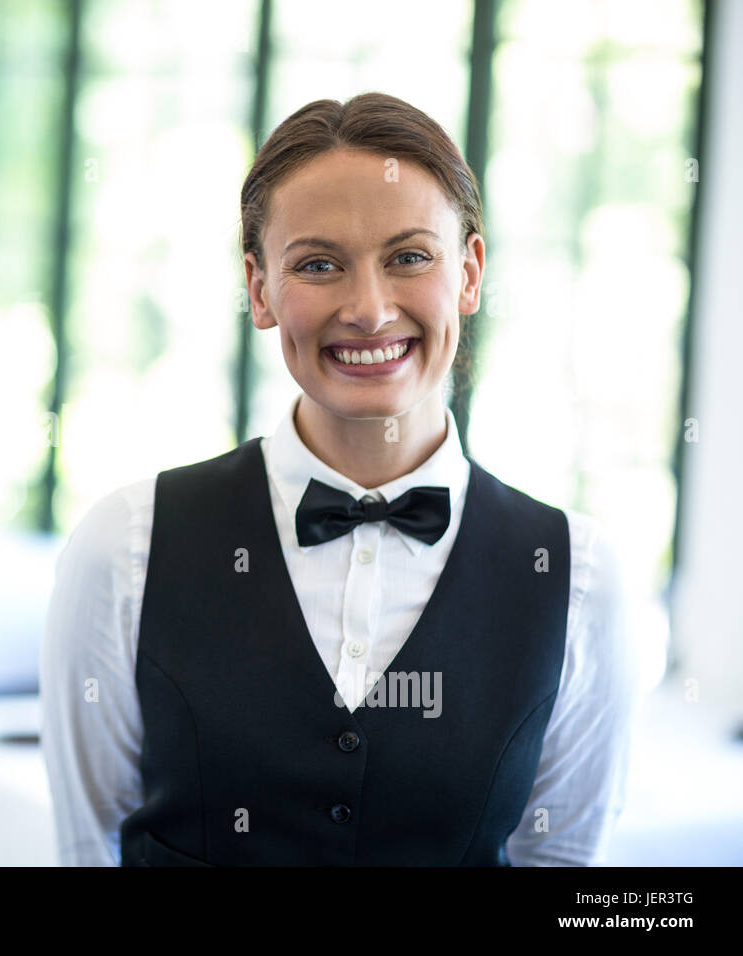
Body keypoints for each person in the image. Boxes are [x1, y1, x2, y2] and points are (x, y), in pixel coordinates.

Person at [39, 91, 637, 866]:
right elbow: (92, 848)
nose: (369, 308)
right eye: (318, 265)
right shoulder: (126, 547)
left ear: (469, 274)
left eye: (410, 257)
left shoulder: (579, 577)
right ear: (259, 290)